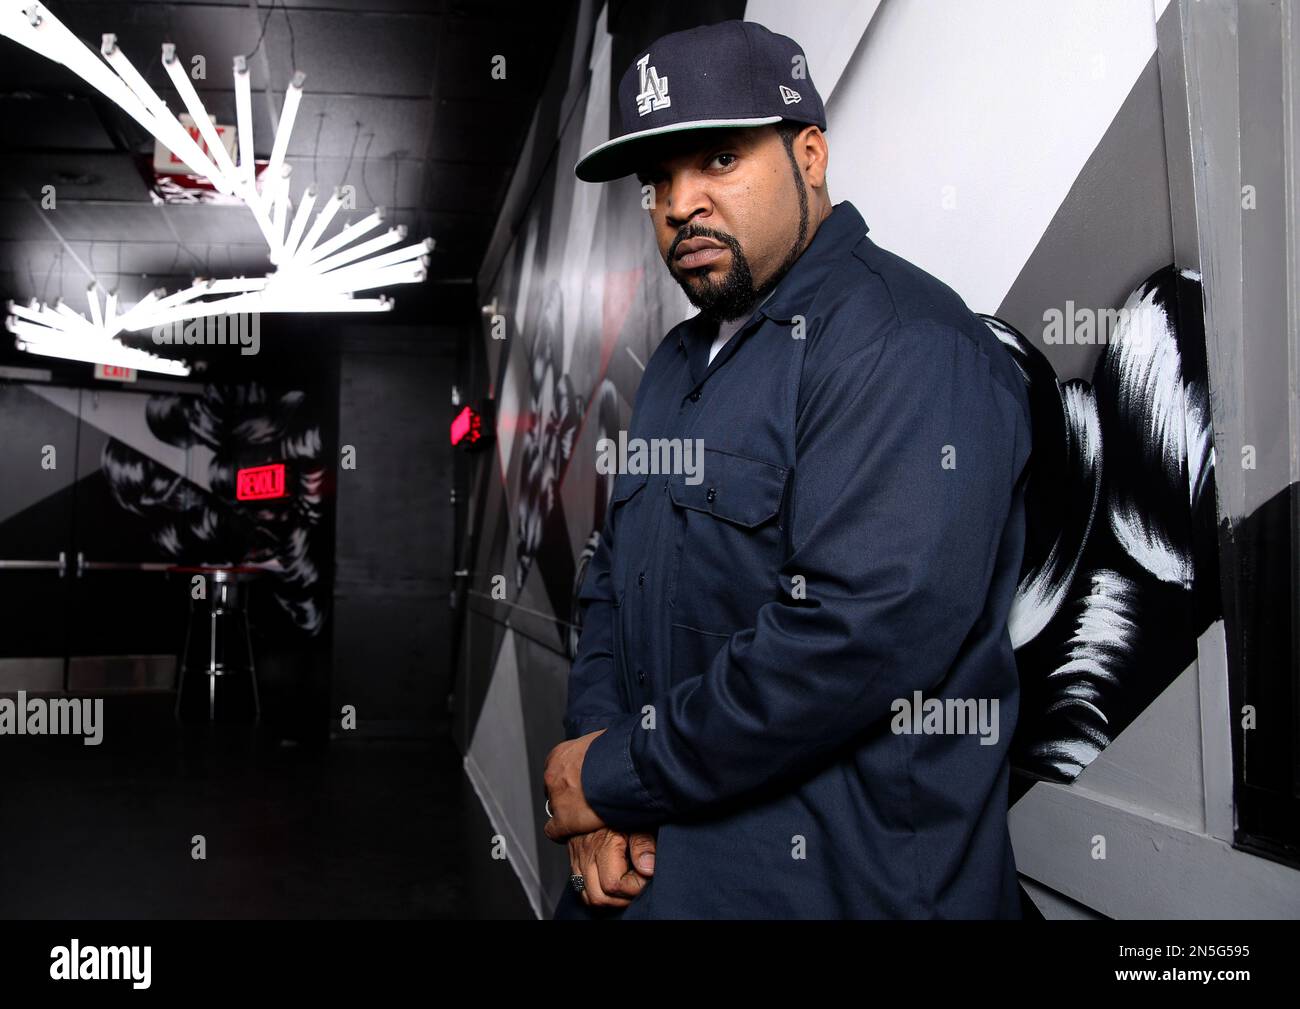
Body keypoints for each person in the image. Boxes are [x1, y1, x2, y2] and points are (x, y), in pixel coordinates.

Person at [542, 19, 1031, 919]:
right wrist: (598, 782)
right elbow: (610, 582)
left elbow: (853, 636)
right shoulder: (675, 369)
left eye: (718, 162)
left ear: (810, 155)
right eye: (657, 182)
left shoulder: (907, 342)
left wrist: (614, 774)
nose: (678, 205)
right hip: (643, 883)